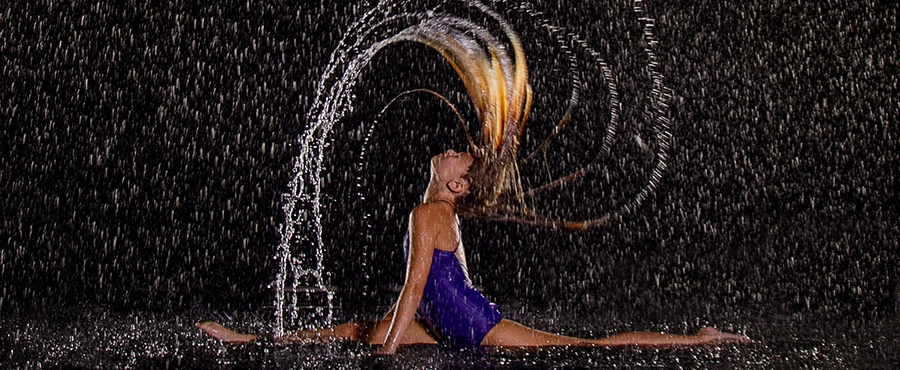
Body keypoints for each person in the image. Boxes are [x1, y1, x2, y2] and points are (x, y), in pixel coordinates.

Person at [198, 149, 750, 353]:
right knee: (350, 330)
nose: (454, 151)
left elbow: (416, 286)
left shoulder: (430, 213)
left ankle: (693, 339)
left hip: (471, 323)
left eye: (461, 158)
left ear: (457, 185)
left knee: (585, 346)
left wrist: (389, 351)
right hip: (443, 318)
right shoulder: (438, 215)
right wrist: (392, 329)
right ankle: (251, 339)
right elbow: (443, 275)